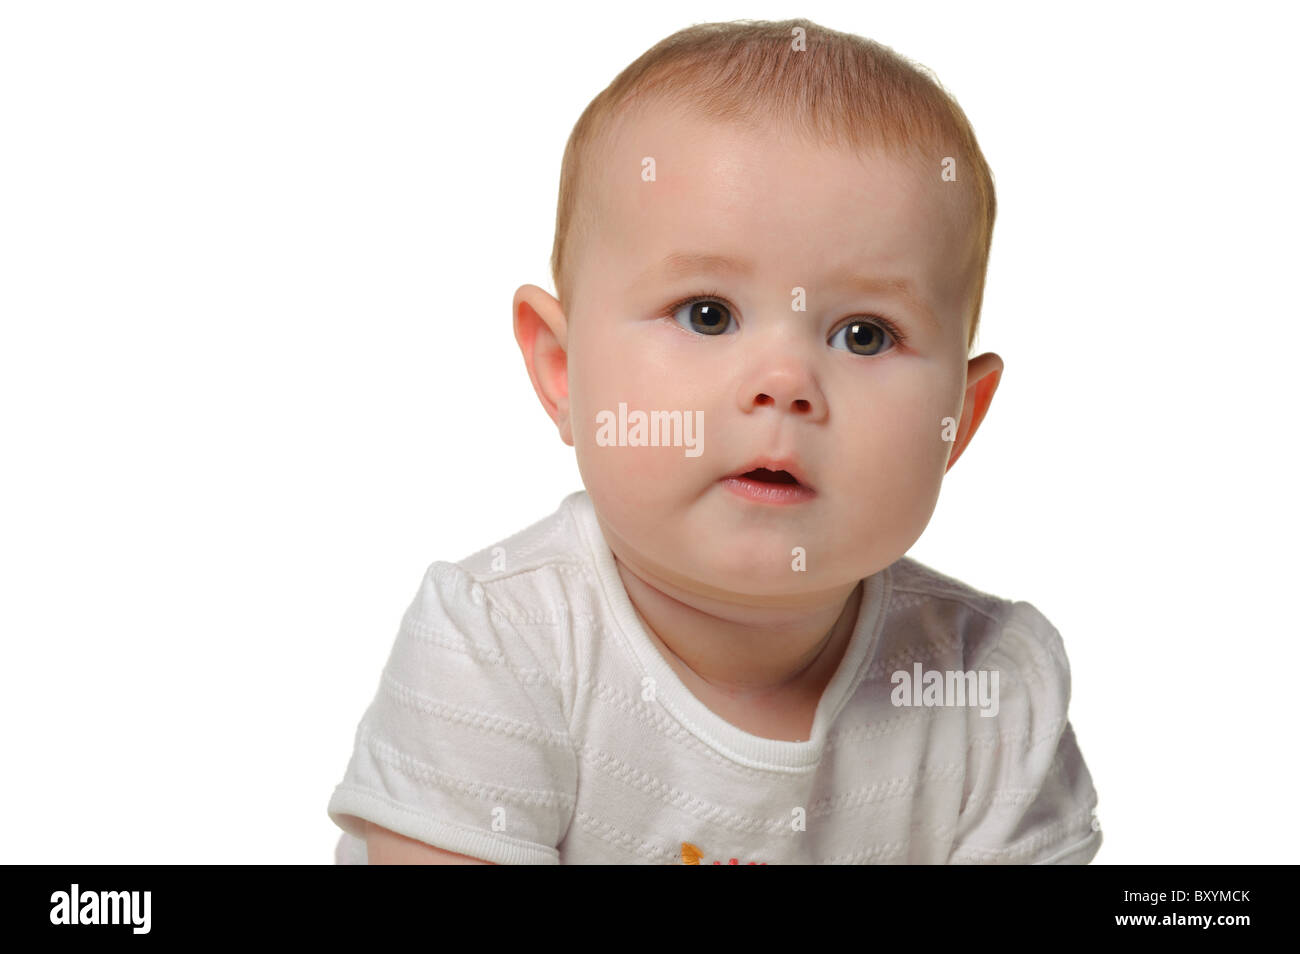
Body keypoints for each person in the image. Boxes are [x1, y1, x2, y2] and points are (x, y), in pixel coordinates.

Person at [326, 17, 1102, 864]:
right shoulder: (497, 647)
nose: (785, 383)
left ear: (962, 417)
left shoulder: (986, 685)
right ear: (561, 369)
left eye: (866, 335)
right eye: (708, 314)